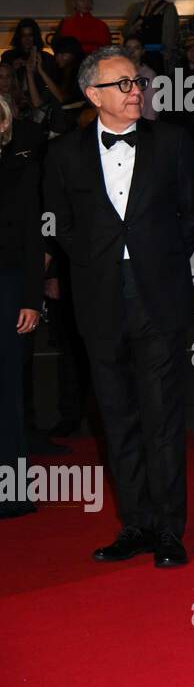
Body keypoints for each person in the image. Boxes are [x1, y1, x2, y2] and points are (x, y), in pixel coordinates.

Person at [43, 47, 194, 563]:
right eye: (122, 85)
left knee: (162, 415)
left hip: (158, 295)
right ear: (92, 94)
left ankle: (168, 530)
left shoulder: (173, 143)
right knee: (116, 415)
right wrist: (98, 262)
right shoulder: (64, 153)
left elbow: (192, 217)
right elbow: (58, 223)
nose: (135, 90)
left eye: (136, 82)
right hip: (98, 299)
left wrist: (153, 261)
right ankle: (135, 525)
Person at [0, 93, 43, 519]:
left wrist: (32, 299)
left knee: (7, 388)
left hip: (8, 289)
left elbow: (34, 238)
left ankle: (11, 492)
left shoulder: (22, 171)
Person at [123, 0, 180, 69]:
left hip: (158, 57)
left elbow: (171, 37)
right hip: (137, 57)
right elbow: (125, 33)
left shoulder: (169, 8)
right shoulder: (137, 7)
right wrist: (134, 27)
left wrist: (167, 56)